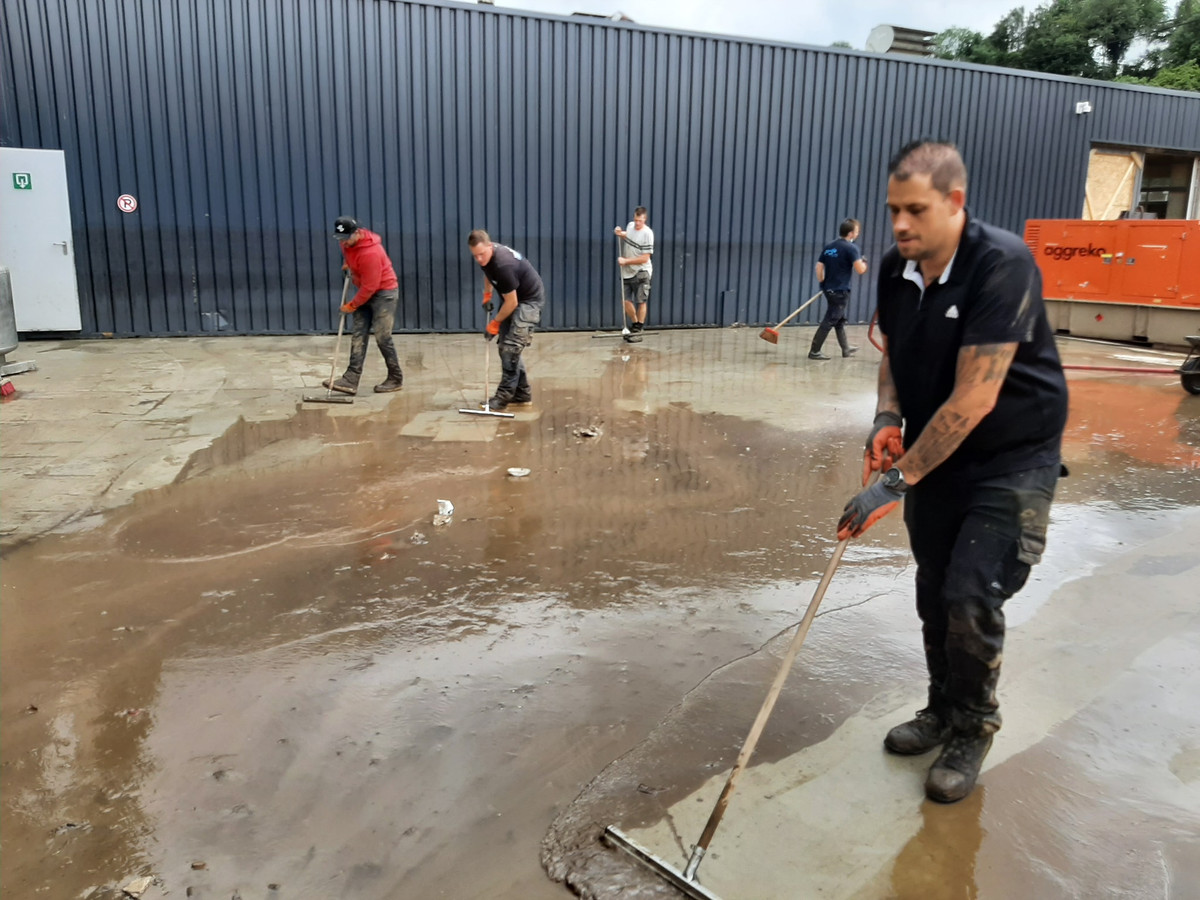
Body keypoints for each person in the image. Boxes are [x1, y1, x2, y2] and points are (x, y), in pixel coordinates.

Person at [837, 140, 1068, 803]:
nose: (901, 225)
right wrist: (886, 418)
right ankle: (940, 708)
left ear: (955, 203)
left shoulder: (1001, 265)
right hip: (937, 455)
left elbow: (974, 398)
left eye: (916, 210)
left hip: (1009, 459)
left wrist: (895, 480)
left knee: (971, 592)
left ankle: (973, 725)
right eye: (893, 211)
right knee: (934, 588)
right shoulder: (895, 265)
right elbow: (894, 352)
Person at [324, 216, 403, 394]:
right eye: (340, 238)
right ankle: (350, 380)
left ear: (357, 233)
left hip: (384, 293)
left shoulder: (371, 252)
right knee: (358, 334)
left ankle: (395, 378)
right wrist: (349, 263)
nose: (343, 242)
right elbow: (350, 255)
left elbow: (371, 286)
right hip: (365, 290)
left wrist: (352, 305)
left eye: (346, 238)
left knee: (383, 337)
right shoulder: (345, 242)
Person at [467, 230, 545, 411]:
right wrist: (487, 295)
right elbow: (487, 272)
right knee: (506, 348)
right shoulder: (486, 256)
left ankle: (503, 397)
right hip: (513, 298)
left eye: (481, 254)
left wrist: (494, 323)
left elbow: (512, 302)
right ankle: (521, 394)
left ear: (489, 245)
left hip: (528, 301)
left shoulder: (503, 264)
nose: (479, 259)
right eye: (475, 256)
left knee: (511, 348)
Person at [809, 218, 868, 359]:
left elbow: (819, 267)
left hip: (829, 289)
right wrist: (864, 262)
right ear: (851, 233)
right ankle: (814, 351)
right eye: (857, 231)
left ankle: (846, 349)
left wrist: (823, 282)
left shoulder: (829, 246)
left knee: (839, 320)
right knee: (830, 320)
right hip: (840, 291)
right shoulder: (851, 248)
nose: (858, 234)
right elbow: (860, 270)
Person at [614, 207, 654, 342]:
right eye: (635, 220)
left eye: (640, 221)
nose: (637, 223)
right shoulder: (630, 226)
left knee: (641, 300)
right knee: (626, 300)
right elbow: (630, 236)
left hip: (642, 271)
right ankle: (635, 323)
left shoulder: (648, 234)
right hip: (627, 272)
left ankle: (638, 328)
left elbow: (645, 258)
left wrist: (626, 261)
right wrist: (620, 233)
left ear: (645, 219)